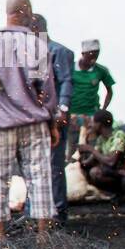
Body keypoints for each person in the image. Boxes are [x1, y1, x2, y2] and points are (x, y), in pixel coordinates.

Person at [0, 0, 60, 240]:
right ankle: (43, 238)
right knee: (39, 177)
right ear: (25, 11)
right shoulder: (38, 44)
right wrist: (52, 123)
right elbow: (47, 91)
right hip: (34, 123)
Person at [31, 13, 74, 224]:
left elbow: (66, 82)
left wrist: (62, 110)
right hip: (36, 119)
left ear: (38, 29)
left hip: (54, 117)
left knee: (55, 166)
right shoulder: (31, 56)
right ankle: (36, 214)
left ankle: (59, 212)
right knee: (35, 167)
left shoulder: (60, 52)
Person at [77, 109, 125, 193]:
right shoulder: (101, 139)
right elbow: (89, 161)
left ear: (99, 125)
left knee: (95, 173)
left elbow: (111, 162)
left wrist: (90, 149)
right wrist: (79, 161)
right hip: (114, 170)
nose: (90, 125)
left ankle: (120, 191)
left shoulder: (118, 136)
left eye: (93, 123)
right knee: (86, 171)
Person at [69, 38, 115, 138]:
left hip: (91, 116)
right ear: (83, 53)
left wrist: (103, 110)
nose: (93, 59)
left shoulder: (101, 71)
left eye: (96, 55)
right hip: (71, 114)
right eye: (91, 55)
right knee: (71, 144)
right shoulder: (70, 68)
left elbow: (109, 91)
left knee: (89, 144)